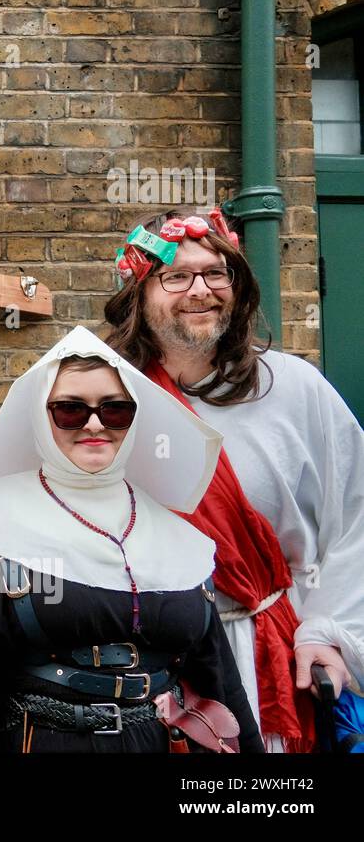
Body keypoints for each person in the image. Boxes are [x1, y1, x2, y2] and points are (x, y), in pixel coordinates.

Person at [0, 326, 262, 752]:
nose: (95, 424)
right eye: (70, 410)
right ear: (41, 416)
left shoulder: (178, 536)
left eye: (115, 410)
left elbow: (220, 683)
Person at [105, 210, 364, 751]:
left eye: (216, 273)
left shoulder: (295, 388)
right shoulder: (105, 400)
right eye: (175, 275)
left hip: (267, 654)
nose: (200, 290)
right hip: (143, 671)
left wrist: (329, 632)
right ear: (138, 293)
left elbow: (355, 518)